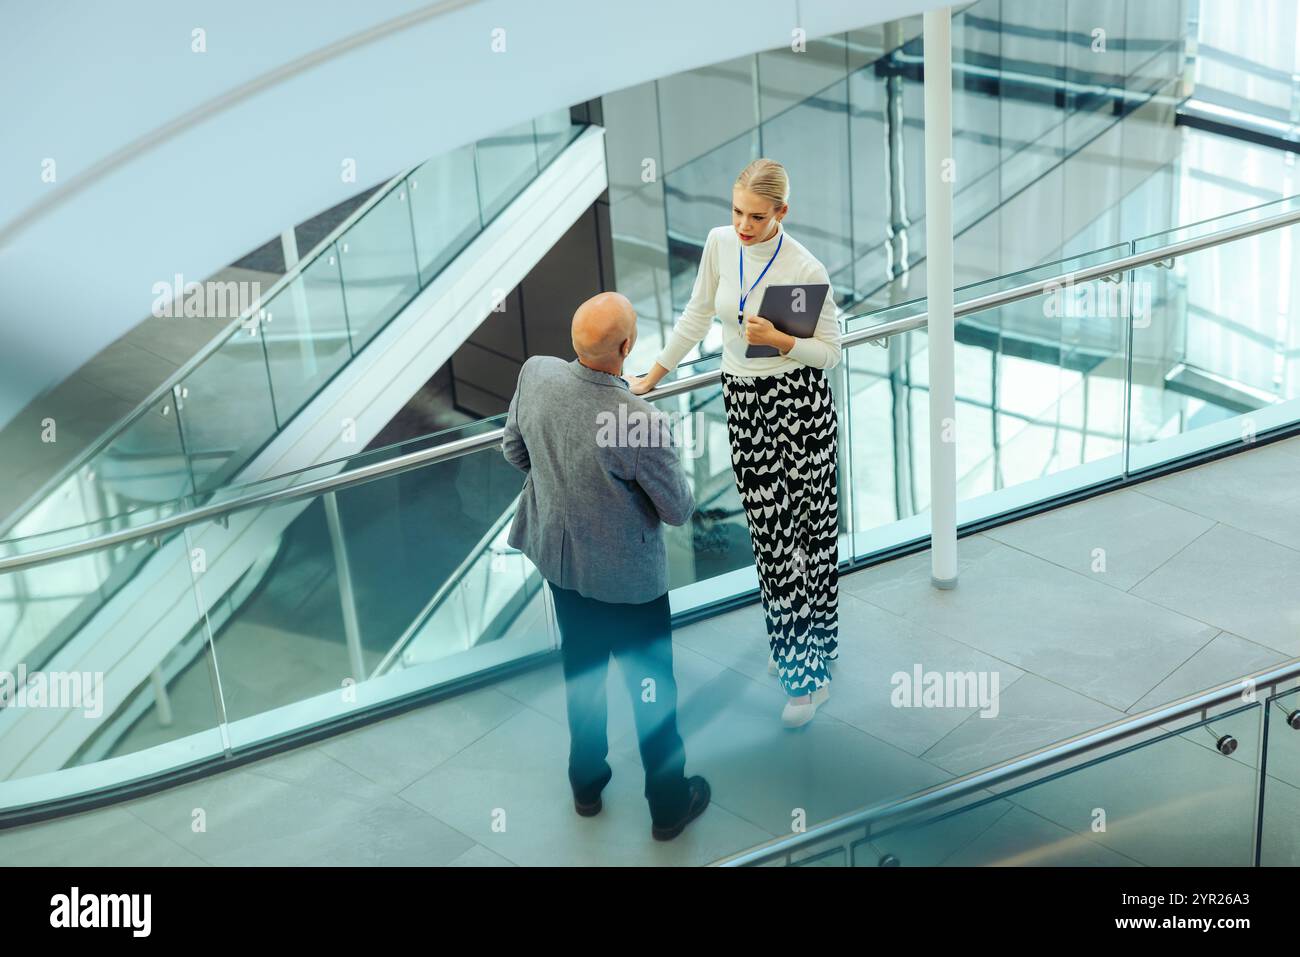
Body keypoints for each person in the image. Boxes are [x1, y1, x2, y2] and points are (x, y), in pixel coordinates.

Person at [630, 158, 842, 729]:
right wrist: (656, 371)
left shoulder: (803, 266)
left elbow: (830, 352)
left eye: (755, 215)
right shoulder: (721, 245)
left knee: (810, 535)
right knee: (772, 539)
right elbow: (699, 313)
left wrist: (779, 339)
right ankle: (798, 659)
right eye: (737, 211)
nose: (743, 224)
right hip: (745, 404)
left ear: (781, 213)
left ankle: (813, 663)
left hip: (798, 404)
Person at [501, 290, 711, 841]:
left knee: (583, 674)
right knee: (652, 694)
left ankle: (586, 785)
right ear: (627, 346)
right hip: (630, 588)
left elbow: (514, 453)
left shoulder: (535, 376)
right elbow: (678, 509)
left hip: (563, 570)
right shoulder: (637, 420)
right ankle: (668, 807)